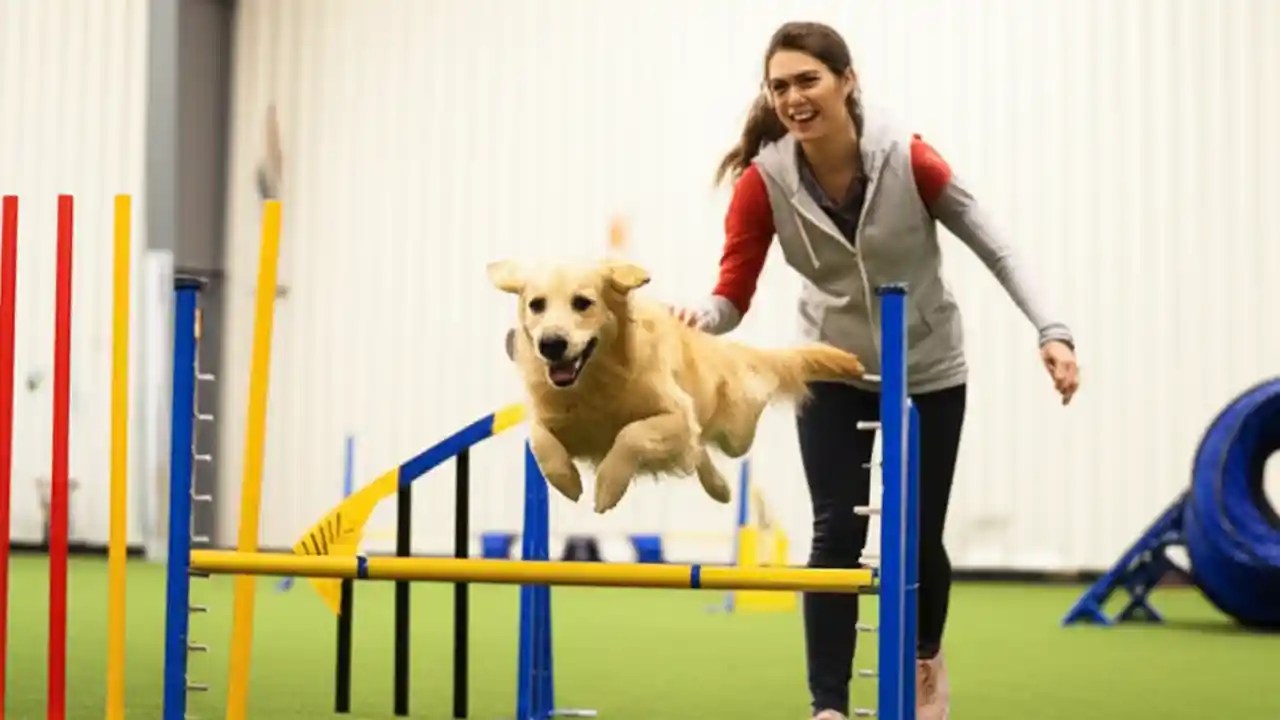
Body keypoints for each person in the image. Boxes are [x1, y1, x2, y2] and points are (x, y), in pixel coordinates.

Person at [671, 20, 1079, 720]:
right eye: (780, 87)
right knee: (835, 531)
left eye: (809, 81)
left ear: (847, 80)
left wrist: (1053, 331)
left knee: (918, 535)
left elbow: (998, 249)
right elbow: (731, 294)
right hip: (829, 362)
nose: (795, 98)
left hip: (926, 364)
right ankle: (827, 705)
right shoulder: (763, 183)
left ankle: (924, 659)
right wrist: (698, 320)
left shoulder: (909, 159)